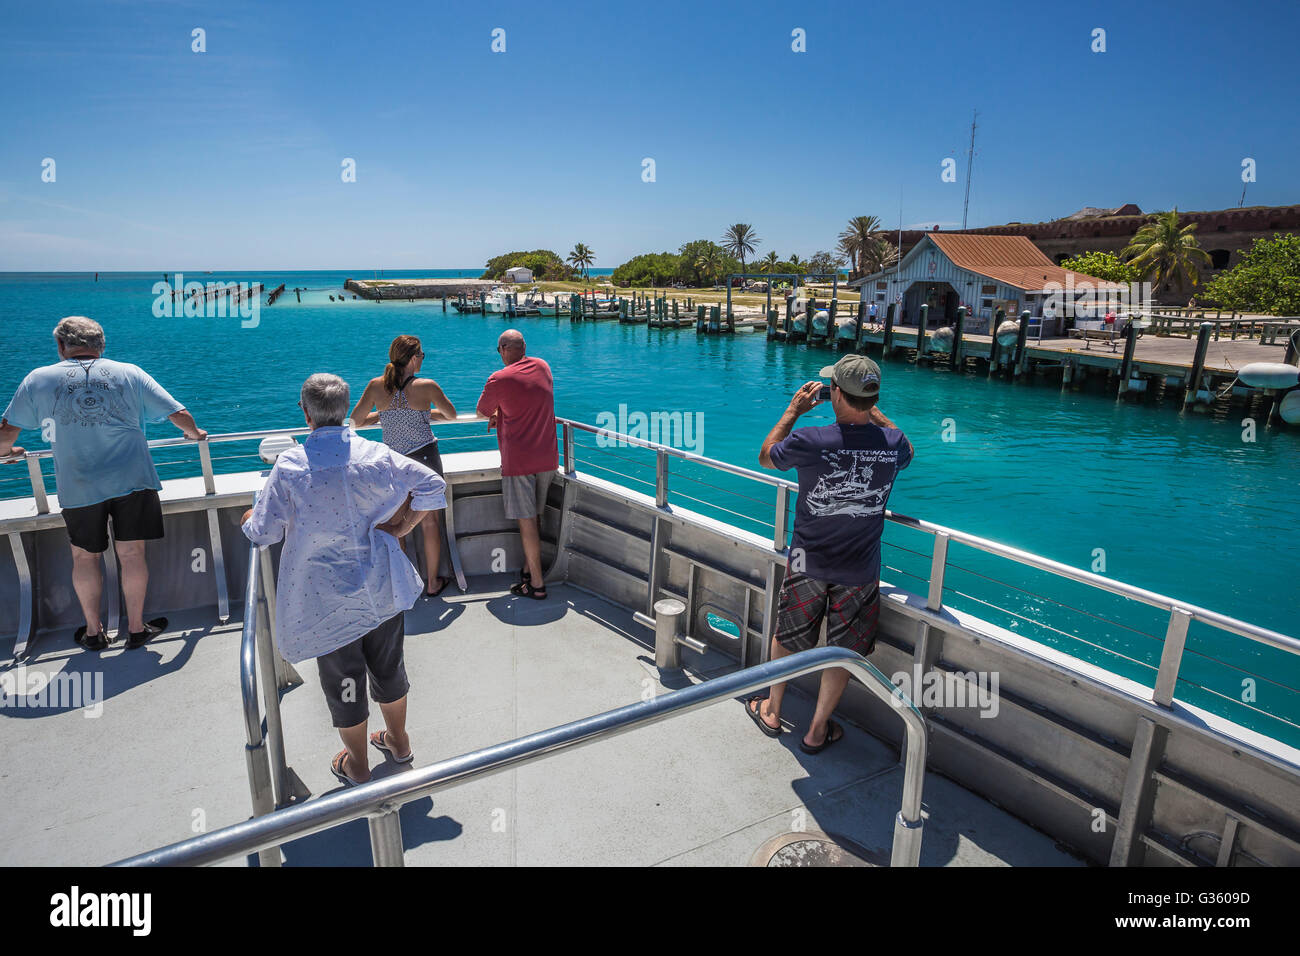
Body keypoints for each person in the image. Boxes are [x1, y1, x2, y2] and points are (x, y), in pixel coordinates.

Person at [242, 374, 446, 786]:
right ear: (346, 407)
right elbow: (432, 484)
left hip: (326, 597)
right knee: (389, 667)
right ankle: (399, 743)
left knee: (344, 681)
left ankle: (358, 766)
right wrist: (401, 528)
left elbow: (264, 533)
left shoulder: (293, 464)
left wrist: (249, 519)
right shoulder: (375, 452)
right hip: (381, 586)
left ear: (306, 413)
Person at [0, 316, 207, 651]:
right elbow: (179, 414)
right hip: (133, 480)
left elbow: (5, 436)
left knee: (84, 559)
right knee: (132, 553)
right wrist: (194, 434)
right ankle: (137, 629)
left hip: (79, 485)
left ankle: (94, 633)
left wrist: (11, 452)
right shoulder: (129, 372)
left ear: (60, 346)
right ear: (101, 345)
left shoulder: (38, 378)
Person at [747, 355, 913, 754]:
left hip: (807, 562)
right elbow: (905, 447)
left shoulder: (810, 440)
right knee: (843, 652)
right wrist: (871, 409)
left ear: (835, 392)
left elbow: (767, 456)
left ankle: (772, 709)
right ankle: (817, 730)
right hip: (859, 570)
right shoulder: (893, 445)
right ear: (872, 397)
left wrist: (794, 409)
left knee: (787, 635)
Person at [348, 335, 458, 597]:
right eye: (421, 355)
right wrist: (424, 413)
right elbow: (452, 414)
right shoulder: (427, 386)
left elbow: (355, 421)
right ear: (412, 358)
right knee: (429, 522)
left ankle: (404, 583)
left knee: (397, 524)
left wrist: (384, 416)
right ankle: (432, 583)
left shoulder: (376, 386)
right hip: (425, 460)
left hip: (394, 463)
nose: (422, 359)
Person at [476, 329, 556, 600]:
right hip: (547, 456)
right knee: (536, 516)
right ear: (524, 347)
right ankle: (527, 570)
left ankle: (536, 584)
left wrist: (498, 412)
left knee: (527, 522)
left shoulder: (498, 379)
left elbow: (482, 410)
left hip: (519, 460)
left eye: (499, 350)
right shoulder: (543, 366)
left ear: (503, 349)